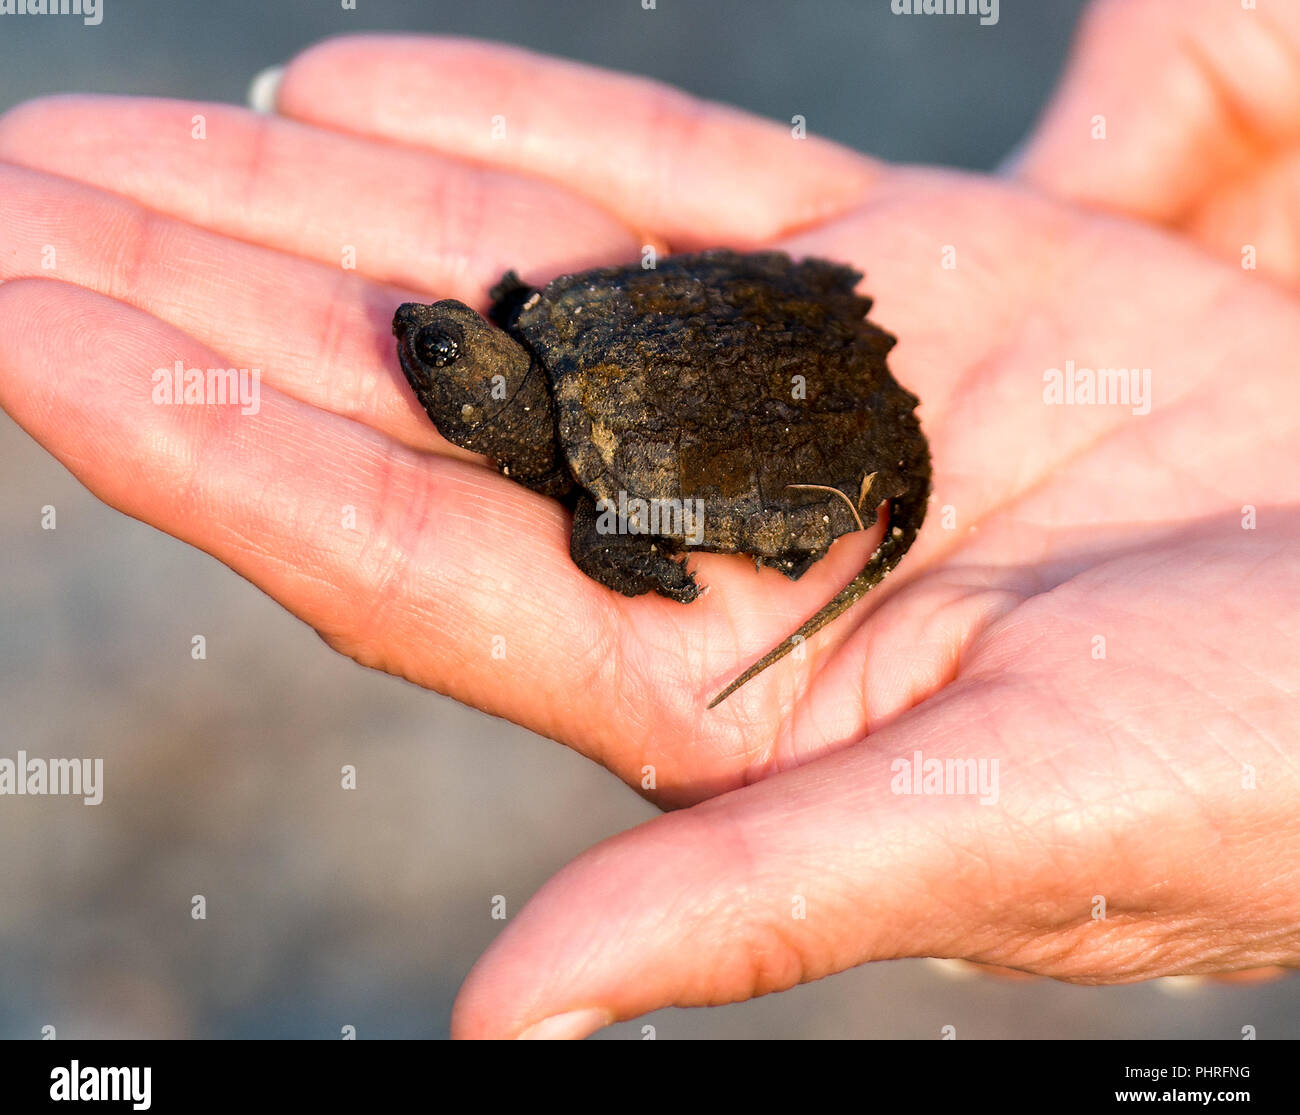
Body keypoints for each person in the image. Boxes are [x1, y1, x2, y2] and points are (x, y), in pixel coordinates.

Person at [0, 1, 1295, 1040]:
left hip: (831, 437)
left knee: (610, 535)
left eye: (437, 349)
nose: (422, 332)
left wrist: (657, 567)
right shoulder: (549, 319)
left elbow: (622, 530)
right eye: (442, 344)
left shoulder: (587, 439)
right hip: (782, 343)